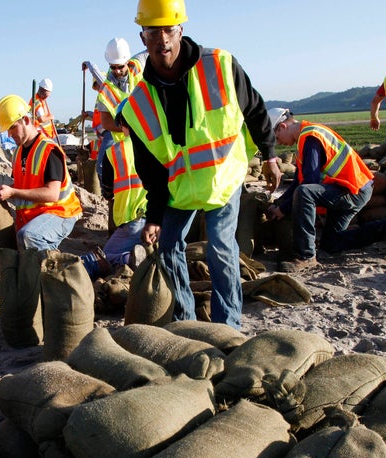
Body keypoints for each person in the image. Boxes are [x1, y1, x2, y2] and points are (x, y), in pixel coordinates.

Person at [117, 0, 281, 330]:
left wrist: (271, 155)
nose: (162, 39)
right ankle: (187, 324)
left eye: (168, 30)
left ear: (180, 30)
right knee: (167, 247)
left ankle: (227, 327)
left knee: (221, 249)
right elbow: (150, 170)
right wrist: (153, 216)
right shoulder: (139, 103)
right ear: (142, 37)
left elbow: (255, 109)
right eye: (153, 32)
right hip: (182, 188)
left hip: (223, 178)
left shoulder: (220, 65)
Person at [265, 108, 386, 273]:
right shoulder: (306, 138)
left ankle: (306, 256)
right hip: (350, 189)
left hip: (352, 190)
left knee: (305, 193)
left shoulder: (310, 137)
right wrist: (280, 204)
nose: (279, 143)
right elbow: (299, 181)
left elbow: (308, 184)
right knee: (331, 244)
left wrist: (283, 209)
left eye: (276, 138)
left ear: (282, 126)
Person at [0, 94, 82, 251]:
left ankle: (71, 269)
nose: (10, 134)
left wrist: (13, 192)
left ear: (25, 120)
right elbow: (22, 185)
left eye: (12, 127)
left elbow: (52, 194)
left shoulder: (48, 150)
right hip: (36, 216)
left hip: (60, 213)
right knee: (25, 243)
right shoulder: (18, 152)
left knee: (30, 236)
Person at [78, 135, 148, 279]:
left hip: (134, 218)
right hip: (160, 217)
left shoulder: (115, 151)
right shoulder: (156, 142)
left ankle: (129, 260)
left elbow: (107, 190)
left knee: (104, 256)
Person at [94, 38, 145, 201]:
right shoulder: (106, 89)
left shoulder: (137, 68)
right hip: (122, 140)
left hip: (145, 135)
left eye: (120, 66)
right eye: (113, 67)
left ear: (127, 61)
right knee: (103, 166)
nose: (116, 71)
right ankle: (112, 200)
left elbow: (149, 52)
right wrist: (128, 128)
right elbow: (106, 122)